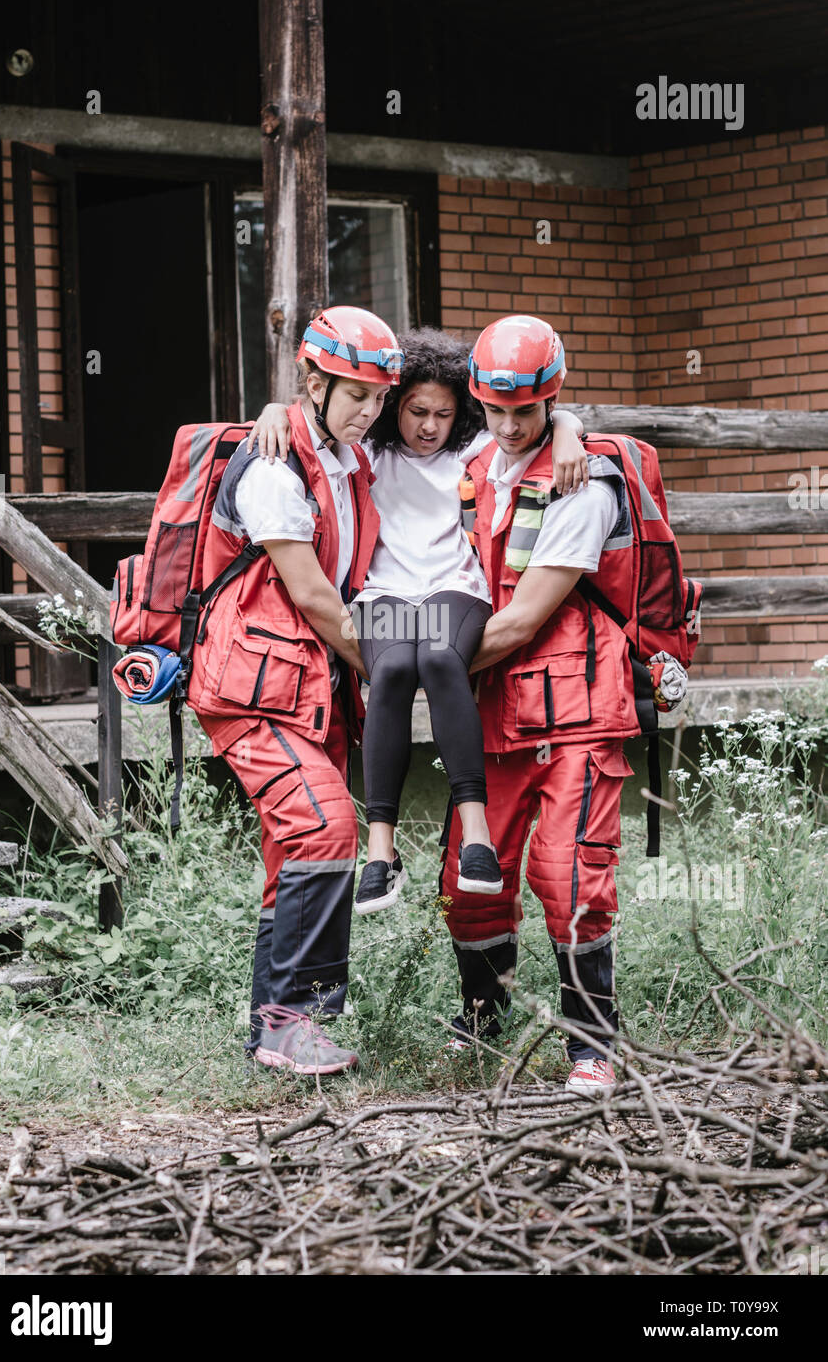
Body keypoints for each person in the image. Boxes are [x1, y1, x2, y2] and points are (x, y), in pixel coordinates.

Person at [251, 327, 589, 915]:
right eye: (414, 411)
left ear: (462, 415)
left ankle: (475, 837)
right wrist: (272, 410)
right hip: (383, 594)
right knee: (391, 674)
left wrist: (567, 430)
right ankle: (380, 852)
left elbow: (532, 416)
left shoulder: (473, 451)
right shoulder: (365, 453)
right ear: (393, 404)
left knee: (436, 656)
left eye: (442, 413)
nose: (428, 426)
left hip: (457, 589)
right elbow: (313, 417)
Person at [188, 304, 401, 1077]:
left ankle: (268, 1036)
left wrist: (571, 430)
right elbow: (313, 596)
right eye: (355, 396)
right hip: (253, 690)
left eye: (380, 398)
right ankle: (300, 1020)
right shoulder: (274, 467)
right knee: (324, 829)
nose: (370, 413)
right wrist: (387, 665)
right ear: (311, 381)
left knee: (293, 856)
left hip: (309, 691)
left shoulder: (348, 461)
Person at [438, 314, 641, 1096]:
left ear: (551, 398)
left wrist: (424, 669)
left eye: (527, 411)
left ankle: (591, 1045)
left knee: (570, 875)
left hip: (578, 702)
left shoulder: (583, 482)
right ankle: (484, 1021)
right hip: (489, 708)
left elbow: (522, 618)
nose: (510, 425)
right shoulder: (469, 459)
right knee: (468, 877)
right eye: (494, 410)